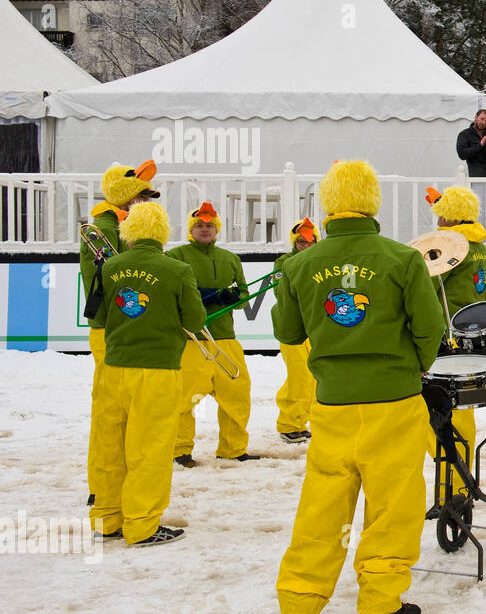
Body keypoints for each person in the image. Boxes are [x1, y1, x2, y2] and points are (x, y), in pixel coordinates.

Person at [273, 159, 445, 614]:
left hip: (331, 403)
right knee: (394, 503)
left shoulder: (299, 263)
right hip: (395, 400)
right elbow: (430, 330)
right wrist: (411, 367)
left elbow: (287, 330)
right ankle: (381, 599)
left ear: (329, 205)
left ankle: (299, 602)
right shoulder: (403, 259)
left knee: (322, 503)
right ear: (373, 202)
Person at [88, 201, 206, 546]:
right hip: (157, 371)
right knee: (149, 448)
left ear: (129, 233)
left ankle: (106, 519)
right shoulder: (177, 270)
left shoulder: (110, 267)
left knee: (109, 445)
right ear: (162, 233)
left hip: (113, 369)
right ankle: (141, 524)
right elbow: (194, 321)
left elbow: (99, 317)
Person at [80, 160, 161, 507]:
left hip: (120, 331)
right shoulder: (104, 230)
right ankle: (103, 486)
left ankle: (109, 484)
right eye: (143, 196)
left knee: (116, 416)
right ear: (127, 197)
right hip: (112, 331)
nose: (148, 203)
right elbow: (106, 286)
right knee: (110, 418)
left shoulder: (120, 227)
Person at [423, 185, 486, 501]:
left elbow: (423, 294)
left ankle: (455, 488)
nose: (438, 222)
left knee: (434, 419)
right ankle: (458, 487)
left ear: (450, 218)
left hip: (446, 346)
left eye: (441, 216)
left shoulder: (446, 253)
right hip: (475, 347)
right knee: (461, 416)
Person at [168, 202, 258, 467]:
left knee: (237, 393)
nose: (204, 230)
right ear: (190, 230)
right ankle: (179, 450)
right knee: (186, 399)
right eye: (199, 225)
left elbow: (243, 297)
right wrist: (206, 294)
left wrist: (234, 297)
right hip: (192, 339)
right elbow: (174, 294)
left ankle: (233, 449)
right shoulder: (176, 257)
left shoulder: (230, 259)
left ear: (217, 230)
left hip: (225, 338)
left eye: (209, 226)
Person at [274, 218, 318, 443]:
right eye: (301, 242)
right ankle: (289, 423)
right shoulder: (285, 262)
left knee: (312, 378)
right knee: (299, 376)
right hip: (292, 329)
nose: (305, 246)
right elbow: (281, 294)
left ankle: (301, 422)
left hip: (314, 328)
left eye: (310, 242)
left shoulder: (320, 262)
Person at [456, 109, 486, 178]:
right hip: (476, 178)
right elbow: (462, 154)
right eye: (482, 119)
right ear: (476, 117)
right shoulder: (464, 134)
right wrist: (480, 145)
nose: (484, 122)